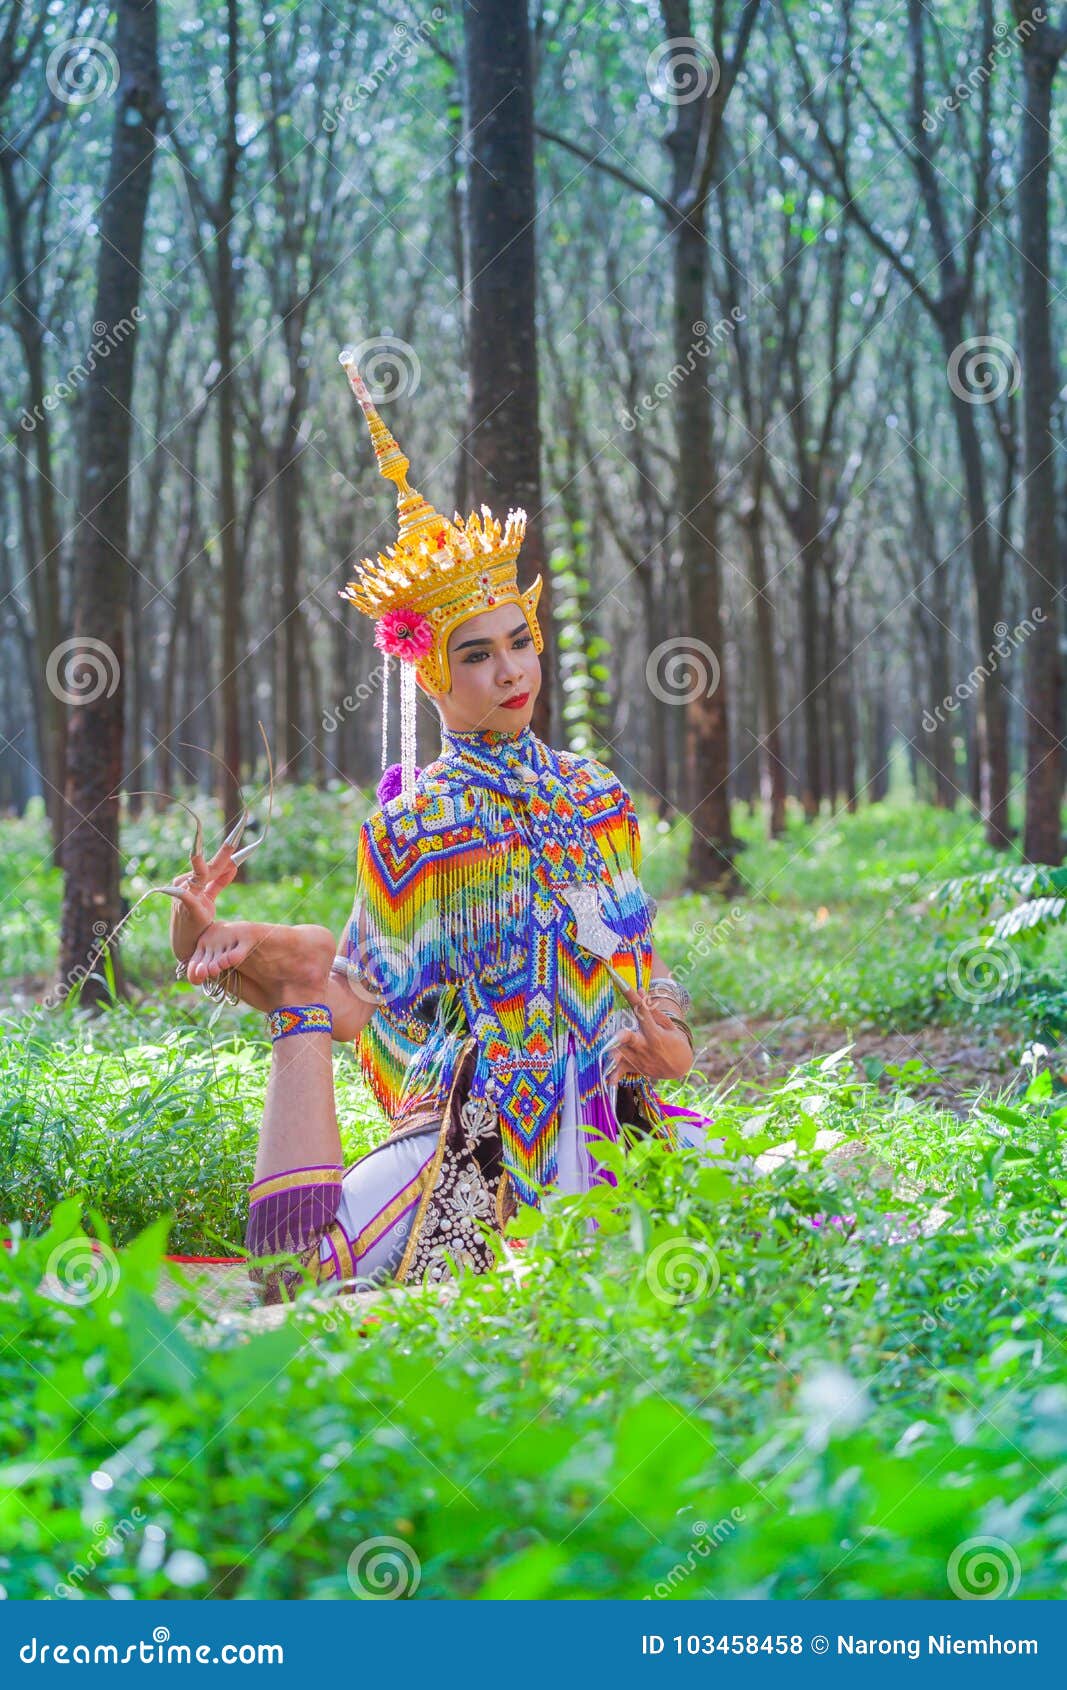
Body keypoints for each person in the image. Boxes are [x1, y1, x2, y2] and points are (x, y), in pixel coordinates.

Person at [166, 353, 707, 1301]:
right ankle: (291, 967)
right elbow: (357, 1008)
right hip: (477, 1133)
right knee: (296, 1278)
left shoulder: (598, 796)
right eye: (478, 655)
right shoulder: (412, 826)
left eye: (519, 643)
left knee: (819, 1207)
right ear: (431, 674)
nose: (510, 673)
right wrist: (252, 968)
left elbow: (642, 967)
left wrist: (674, 1050)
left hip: (619, 1118)